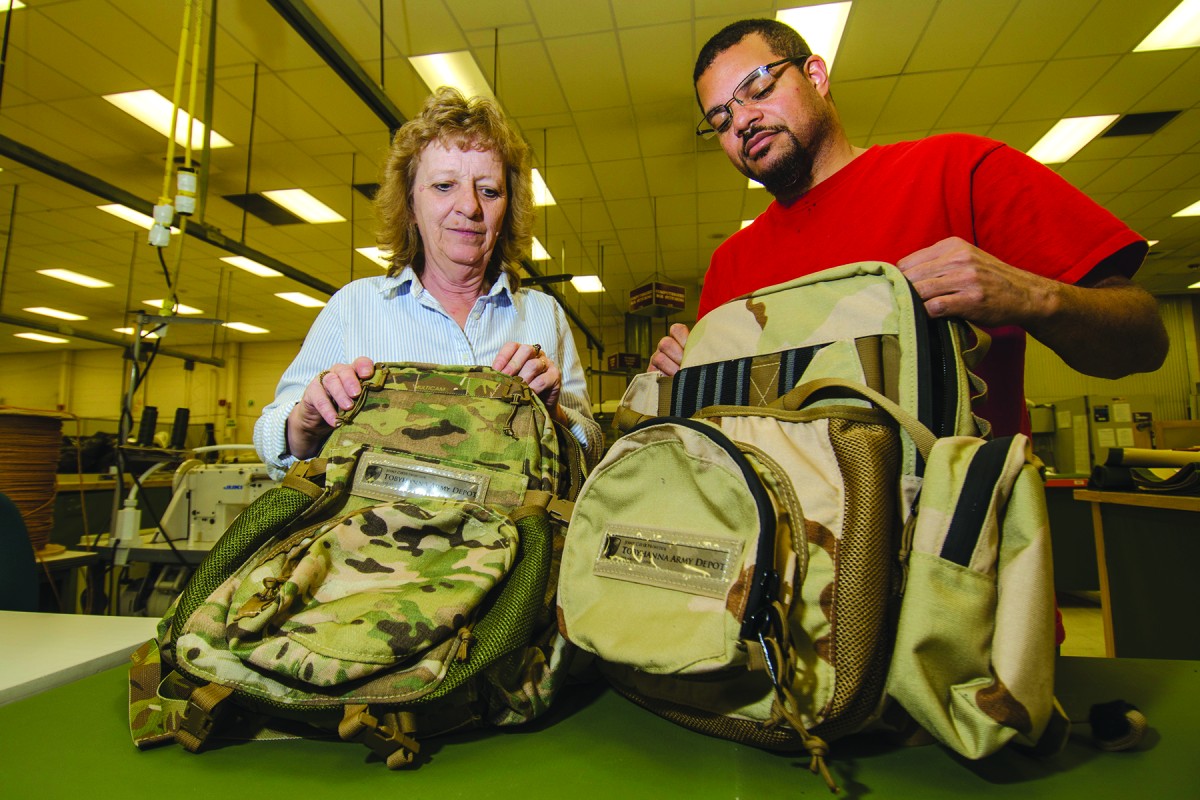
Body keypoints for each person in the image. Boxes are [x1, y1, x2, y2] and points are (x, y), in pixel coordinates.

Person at [650, 18, 1169, 438]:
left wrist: (1032, 296)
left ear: (816, 76)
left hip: (951, 527)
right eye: (721, 120)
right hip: (785, 532)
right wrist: (683, 375)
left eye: (759, 88)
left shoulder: (961, 171)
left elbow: (1145, 341)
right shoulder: (730, 262)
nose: (742, 121)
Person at [255, 87, 602, 475]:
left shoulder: (544, 314)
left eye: (489, 191)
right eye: (443, 186)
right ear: (409, 204)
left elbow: (591, 452)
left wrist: (554, 415)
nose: (469, 206)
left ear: (508, 208)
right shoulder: (353, 307)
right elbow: (271, 440)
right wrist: (302, 424)